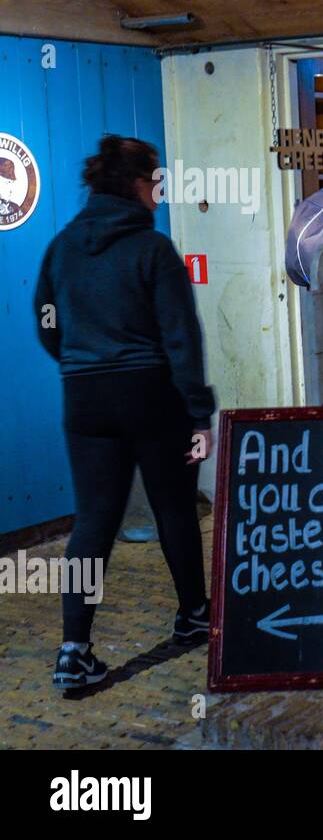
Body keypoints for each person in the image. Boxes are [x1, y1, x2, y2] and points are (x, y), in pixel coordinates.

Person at [34, 135, 215, 689]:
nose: (159, 194)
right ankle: (193, 616)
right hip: (150, 394)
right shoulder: (154, 251)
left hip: (85, 398)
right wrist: (199, 413)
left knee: (93, 522)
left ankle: (73, 652)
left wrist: (79, 358)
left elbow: (46, 321)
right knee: (175, 511)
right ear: (136, 185)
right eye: (156, 182)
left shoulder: (62, 247)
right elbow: (180, 339)